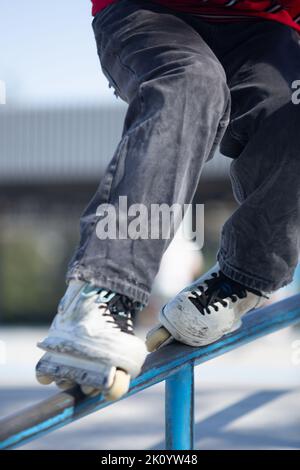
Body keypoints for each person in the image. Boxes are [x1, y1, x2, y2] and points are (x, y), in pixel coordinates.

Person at [35, 0, 300, 400]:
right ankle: (101, 290)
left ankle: (241, 281)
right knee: (191, 82)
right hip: (151, 12)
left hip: (262, 30)